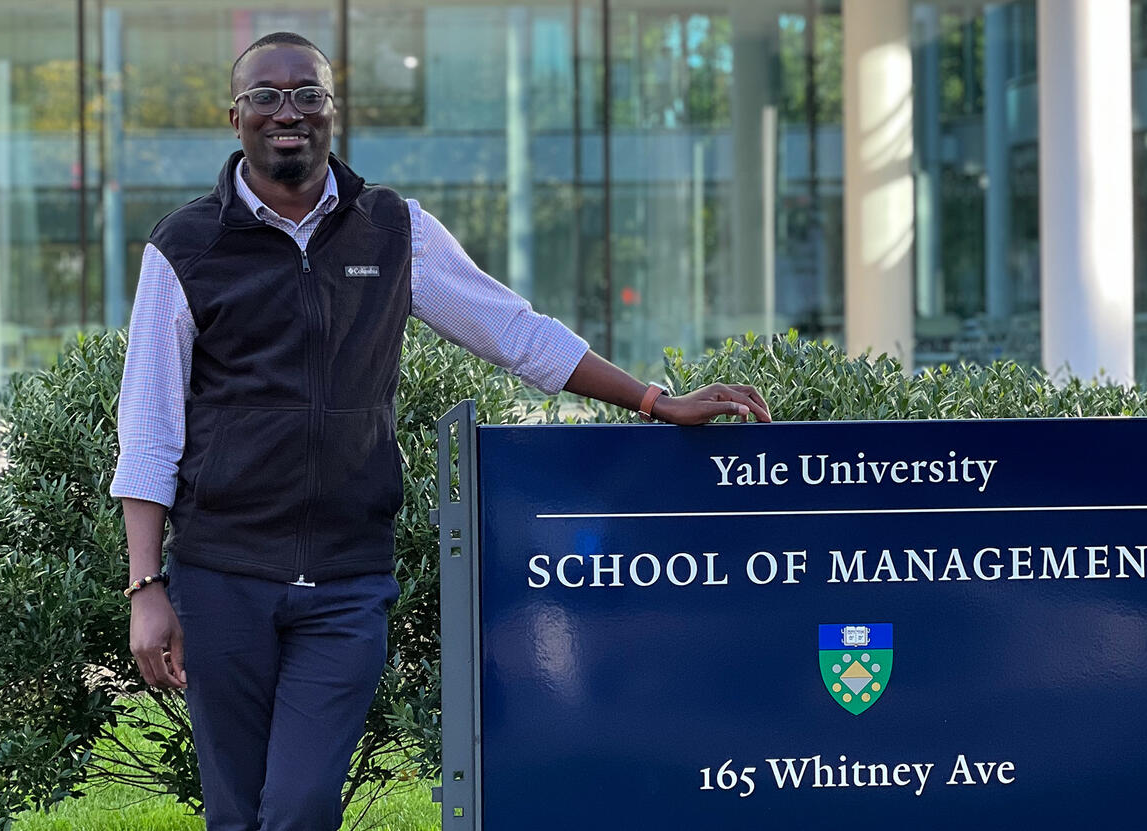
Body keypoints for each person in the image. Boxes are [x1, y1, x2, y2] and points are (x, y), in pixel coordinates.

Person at [111, 31, 769, 831]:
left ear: (333, 111)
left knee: (300, 804)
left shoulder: (393, 229)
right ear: (235, 116)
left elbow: (516, 332)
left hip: (346, 581)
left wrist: (654, 400)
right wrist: (148, 587)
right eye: (267, 96)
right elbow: (149, 429)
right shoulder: (184, 246)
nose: (289, 112)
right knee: (237, 811)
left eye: (308, 94)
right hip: (221, 580)